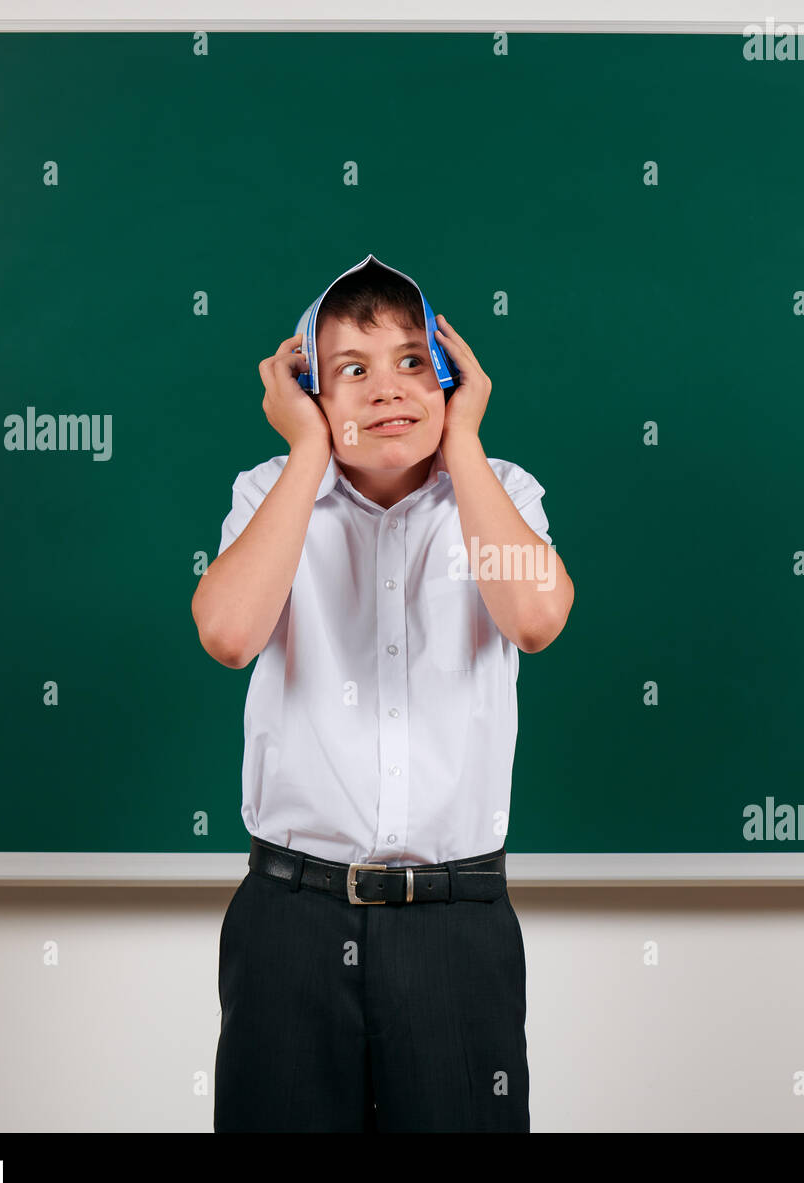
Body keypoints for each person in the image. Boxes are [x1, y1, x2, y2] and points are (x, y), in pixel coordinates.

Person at [192, 255, 574, 1131]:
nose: (387, 390)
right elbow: (228, 632)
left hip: (456, 924)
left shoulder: (500, 492)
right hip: (291, 919)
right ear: (311, 396)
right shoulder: (270, 491)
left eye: (413, 362)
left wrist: (465, 446)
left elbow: (538, 616)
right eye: (351, 372)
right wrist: (306, 455)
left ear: (450, 382)